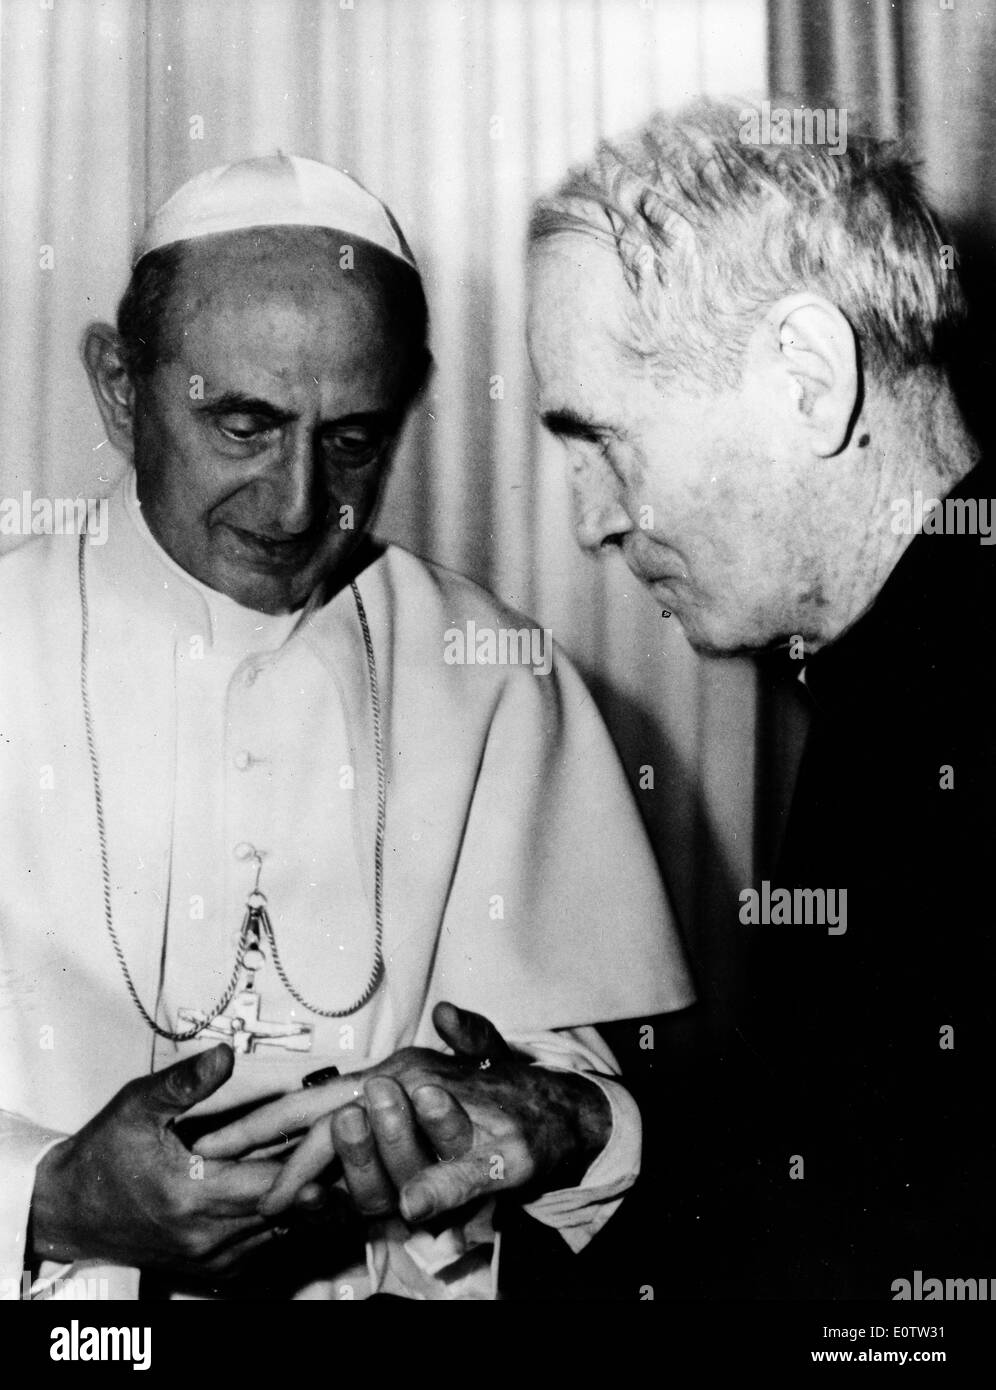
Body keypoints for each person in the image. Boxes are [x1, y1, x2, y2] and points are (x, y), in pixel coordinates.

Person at [0, 155, 694, 1302]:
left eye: (355, 440)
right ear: (120, 386)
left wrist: (522, 1120)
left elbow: (585, 1123)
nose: (293, 504)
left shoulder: (498, 675)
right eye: (242, 424)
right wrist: (51, 1195)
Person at [519, 99, 996, 1297]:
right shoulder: (893, 675)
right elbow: (845, 1160)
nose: (593, 523)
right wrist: (580, 1133)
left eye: (606, 442)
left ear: (805, 378)